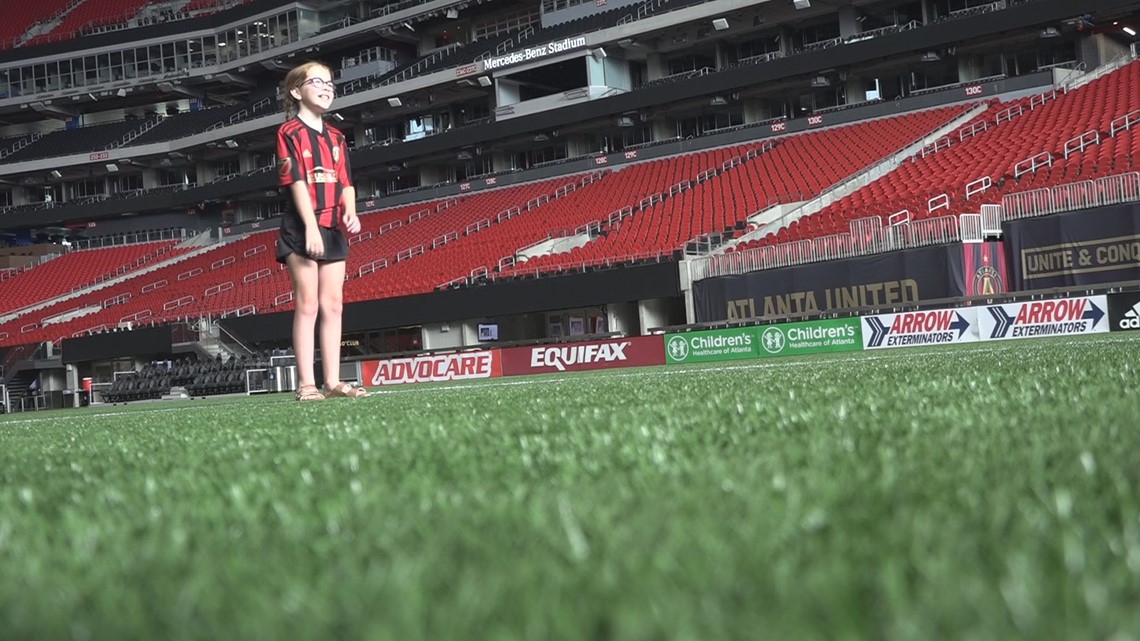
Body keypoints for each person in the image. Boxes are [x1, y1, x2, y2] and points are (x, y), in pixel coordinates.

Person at [275, 61, 369, 401]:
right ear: (296, 91)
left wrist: (350, 211)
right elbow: (296, 182)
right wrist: (311, 228)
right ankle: (306, 384)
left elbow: (346, 182)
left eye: (330, 83)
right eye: (317, 82)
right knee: (308, 304)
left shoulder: (337, 137)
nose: (326, 88)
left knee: (333, 305)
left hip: (332, 227)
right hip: (301, 227)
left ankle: (332, 381)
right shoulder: (289, 132)